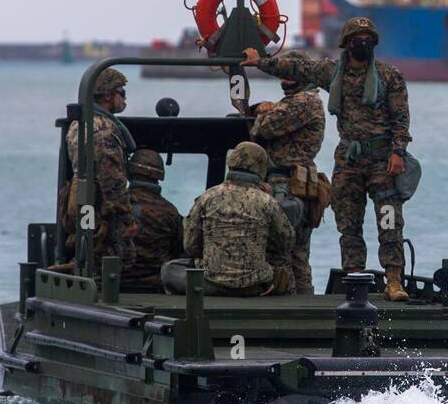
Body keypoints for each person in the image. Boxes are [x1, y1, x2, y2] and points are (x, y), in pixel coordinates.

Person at [242, 16, 413, 300]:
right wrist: (259, 61)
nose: (363, 44)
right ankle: (355, 277)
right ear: (346, 44)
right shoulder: (332, 73)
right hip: (348, 158)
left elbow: (401, 117)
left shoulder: (389, 76)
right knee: (348, 222)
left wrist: (398, 152)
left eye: (368, 40)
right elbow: (297, 66)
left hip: (383, 158)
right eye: (357, 40)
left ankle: (394, 281)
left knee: (389, 220)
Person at [162, 142, 293, 298]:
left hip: (210, 283)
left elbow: (190, 245)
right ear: (260, 169)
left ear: (231, 162)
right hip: (255, 286)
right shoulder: (267, 202)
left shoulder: (207, 197)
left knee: (169, 269)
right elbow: (286, 242)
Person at [249, 50, 326, 295]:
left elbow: (264, 129)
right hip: (296, 184)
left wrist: (262, 113)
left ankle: (288, 302)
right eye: (281, 75)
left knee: (281, 252)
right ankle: (303, 302)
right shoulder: (299, 101)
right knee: (298, 255)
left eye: (288, 74)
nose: (283, 80)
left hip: (287, 185)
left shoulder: (305, 102)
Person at [62, 67, 137, 275]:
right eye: (122, 93)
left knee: (91, 254)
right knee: (118, 260)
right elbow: (111, 179)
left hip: (85, 204)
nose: (124, 100)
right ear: (107, 96)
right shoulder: (103, 129)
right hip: (101, 207)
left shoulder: (79, 124)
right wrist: (127, 219)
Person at [120, 148, 183, 290]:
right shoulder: (170, 212)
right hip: (156, 285)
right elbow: (177, 251)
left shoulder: (116, 206)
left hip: (115, 281)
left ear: (129, 173)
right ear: (159, 177)